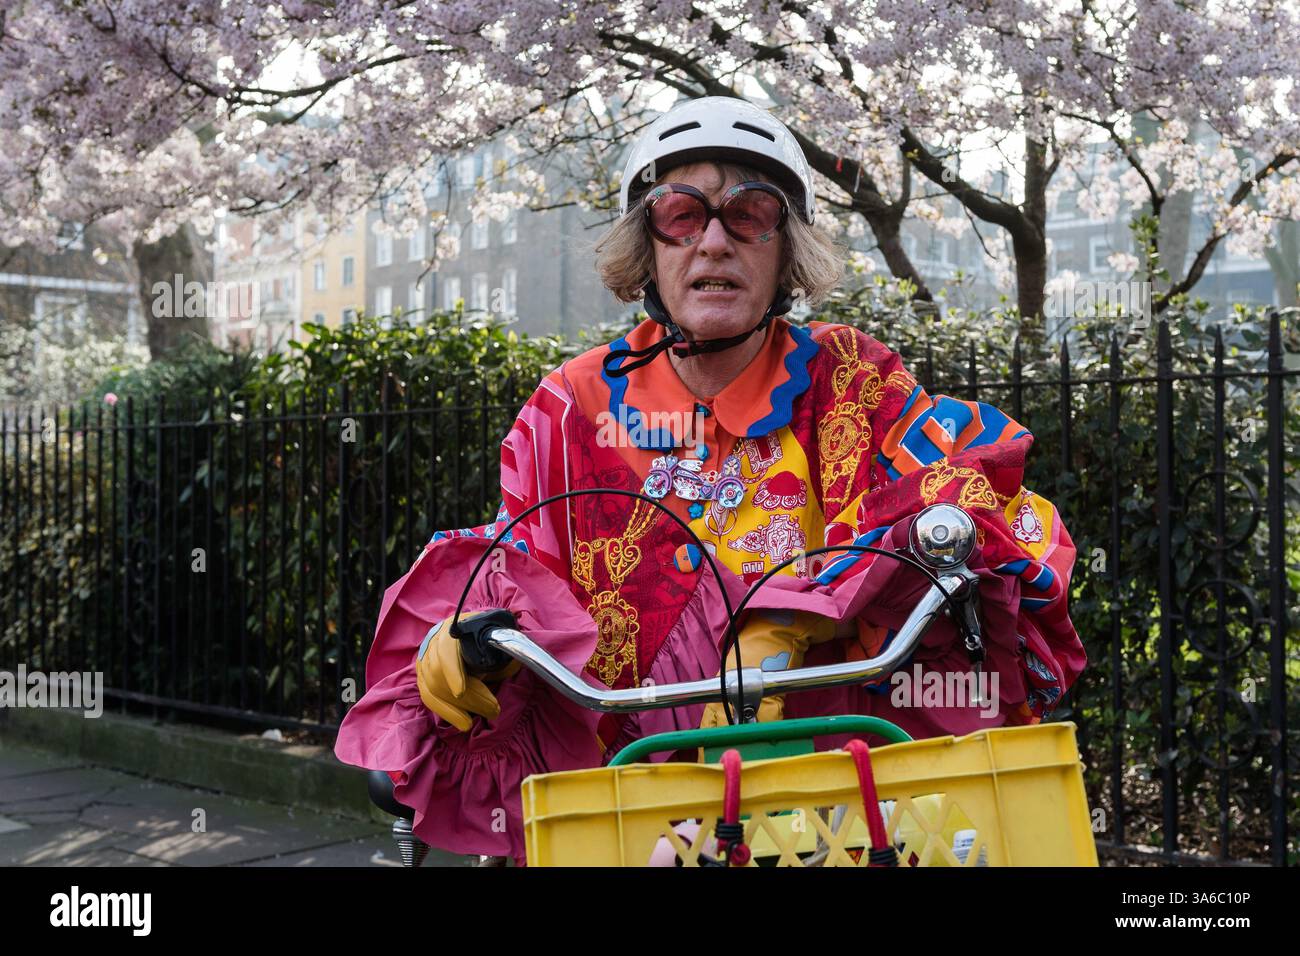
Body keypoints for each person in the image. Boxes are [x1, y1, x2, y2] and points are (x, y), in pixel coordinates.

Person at [334, 96, 1086, 863]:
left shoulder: (850, 377)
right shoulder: (571, 405)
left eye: (751, 213)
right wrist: (471, 638)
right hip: (630, 807)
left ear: (786, 249)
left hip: (835, 808)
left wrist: (805, 607)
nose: (715, 243)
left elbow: (966, 495)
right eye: (682, 214)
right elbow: (524, 565)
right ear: (648, 246)